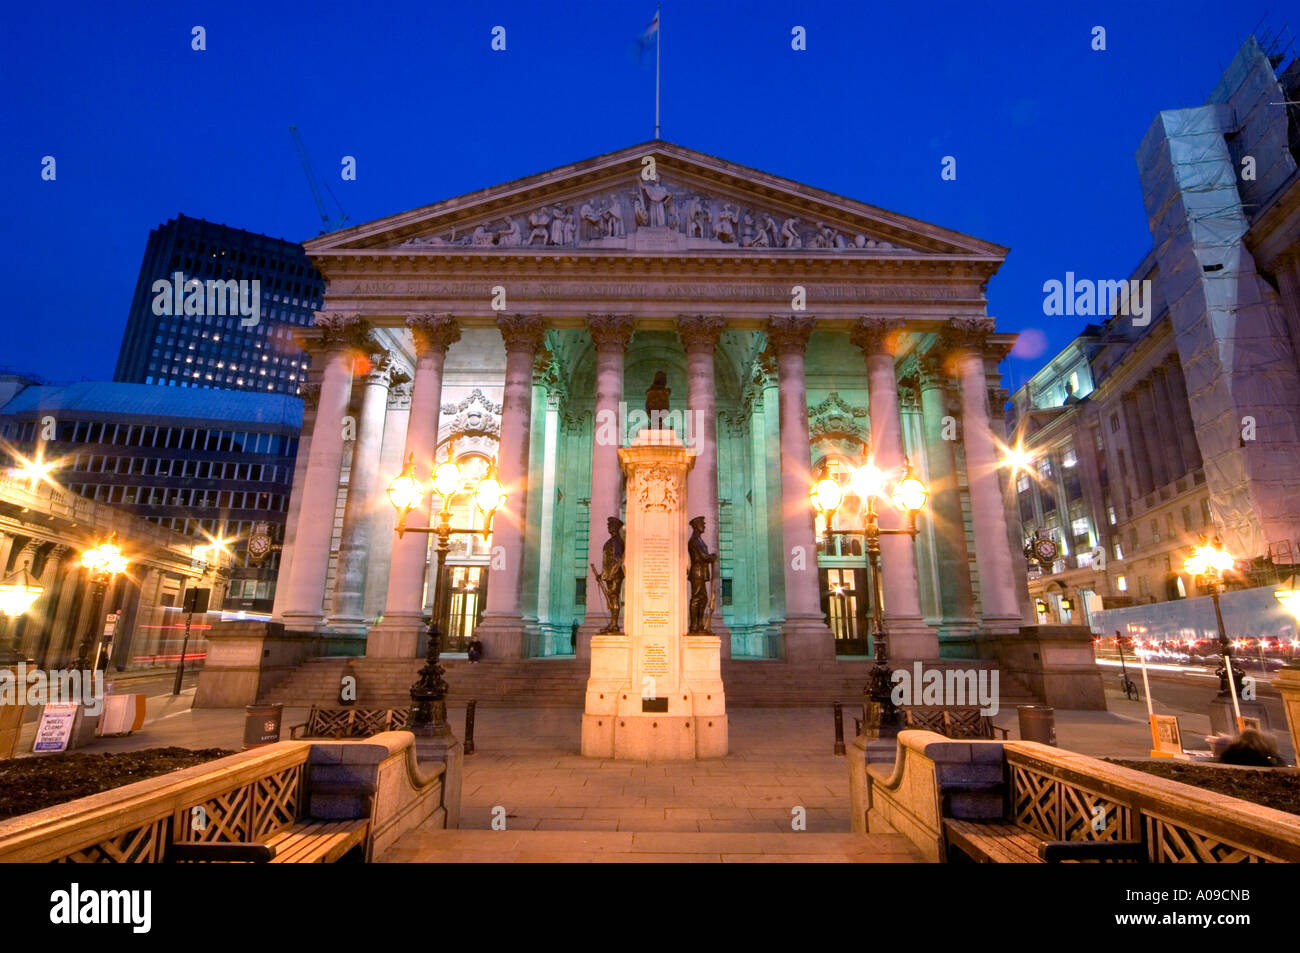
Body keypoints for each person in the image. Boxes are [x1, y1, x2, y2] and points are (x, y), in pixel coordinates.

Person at [687, 516, 719, 634]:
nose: (704, 525)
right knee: (696, 598)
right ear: (696, 525)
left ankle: (700, 624)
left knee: (703, 598)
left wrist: (710, 556)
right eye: (702, 523)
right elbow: (703, 556)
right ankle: (694, 626)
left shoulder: (699, 539)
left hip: (701, 572)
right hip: (697, 572)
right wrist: (712, 557)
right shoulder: (694, 540)